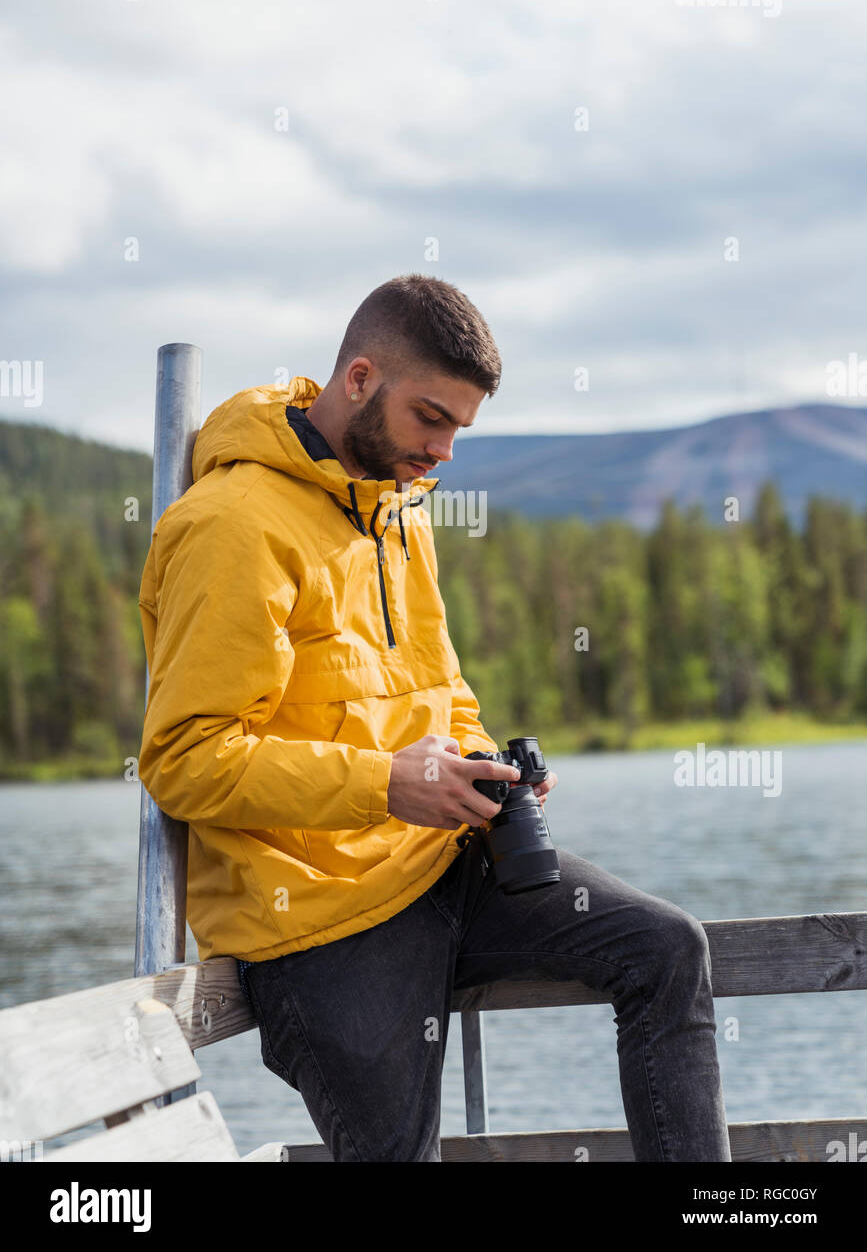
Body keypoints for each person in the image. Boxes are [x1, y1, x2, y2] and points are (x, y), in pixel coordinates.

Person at [138, 273, 732, 1163]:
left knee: (666, 950)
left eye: (459, 427)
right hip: (316, 918)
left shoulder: (398, 507)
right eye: (430, 419)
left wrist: (483, 768)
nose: (445, 451)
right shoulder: (232, 528)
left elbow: (440, 691)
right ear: (360, 379)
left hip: (442, 863)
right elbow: (186, 760)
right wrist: (387, 782)